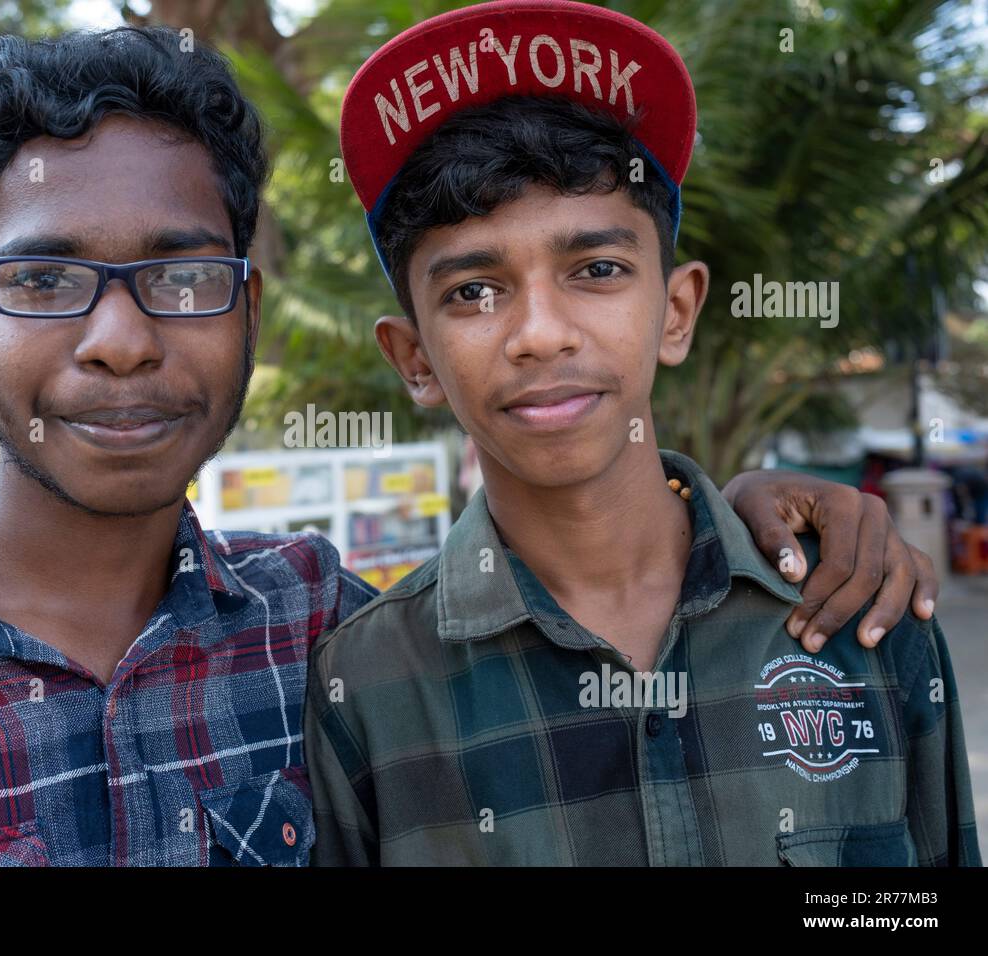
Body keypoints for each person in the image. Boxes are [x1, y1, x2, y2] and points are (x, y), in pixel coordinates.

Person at [0, 23, 942, 868]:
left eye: (181, 277)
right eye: (49, 278)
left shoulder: (312, 629)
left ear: (246, 308)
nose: (120, 341)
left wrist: (768, 516)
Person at [305, 0, 978, 866]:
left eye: (597, 269)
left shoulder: (861, 609)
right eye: (473, 289)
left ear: (678, 309)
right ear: (414, 359)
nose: (540, 333)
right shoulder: (367, 692)